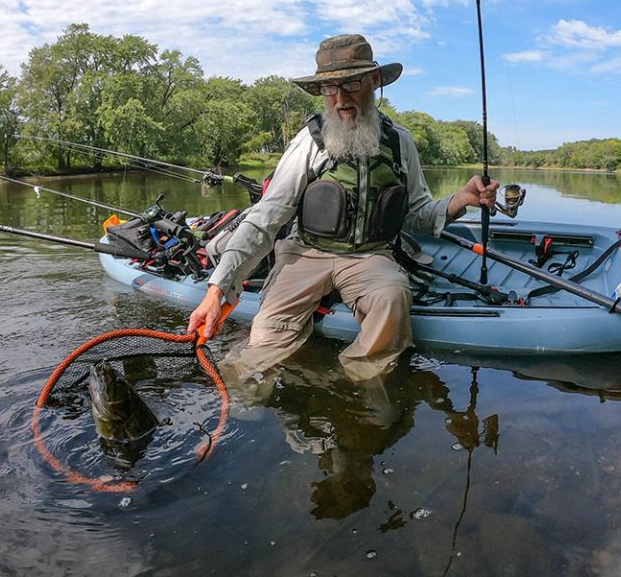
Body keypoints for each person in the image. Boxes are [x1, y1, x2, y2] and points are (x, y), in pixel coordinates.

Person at [187, 34, 497, 379]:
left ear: (375, 81)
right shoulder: (308, 141)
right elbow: (265, 219)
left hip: (371, 257)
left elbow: (416, 212)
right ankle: (242, 399)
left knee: (392, 298)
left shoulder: (400, 142)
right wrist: (217, 290)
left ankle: (360, 389)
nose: (340, 98)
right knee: (263, 344)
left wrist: (461, 200)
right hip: (306, 255)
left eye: (350, 83)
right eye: (329, 88)